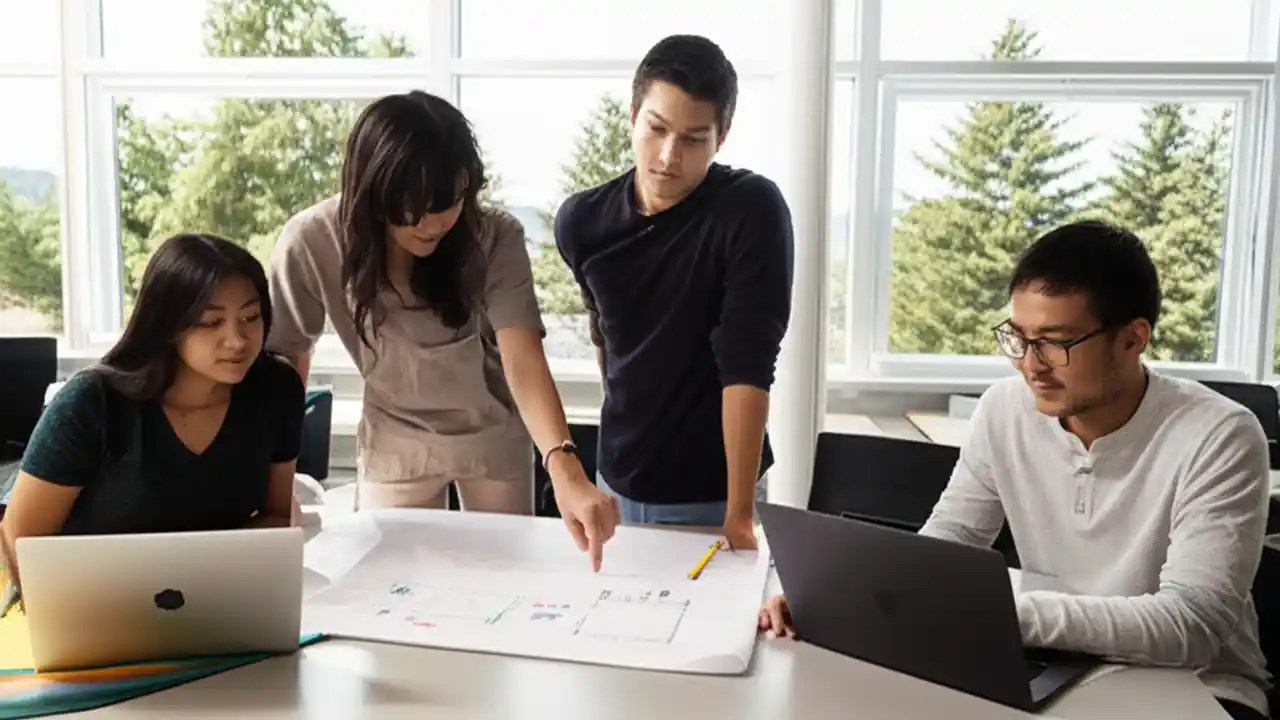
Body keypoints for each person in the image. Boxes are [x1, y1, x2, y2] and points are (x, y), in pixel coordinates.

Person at [758, 221, 1271, 720]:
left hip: (1199, 688)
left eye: (1054, 342)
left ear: (1133, 340)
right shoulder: (1005, 408)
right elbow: (949, 540)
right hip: (1059, 661)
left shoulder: (1219, 435)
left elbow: (1192, 625)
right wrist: (840, 596)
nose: (1030, 364)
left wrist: (1001, 616)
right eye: (1018, 337)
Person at [266, 90, 619, 570]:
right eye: (417, 208)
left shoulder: (494, 236)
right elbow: (287, 365)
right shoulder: (312, 240)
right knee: (392, 584)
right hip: (396, 435)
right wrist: (275, 488)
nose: (437, 222)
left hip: (491, 428)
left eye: (452, 201)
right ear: (373, 191)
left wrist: (566, 468)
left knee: (504, 580)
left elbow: (522, 358)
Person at [554, 35, 794, 547]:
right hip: (616, 484)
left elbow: (748, 366)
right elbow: (608, 340)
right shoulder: (582, 222)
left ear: (721, 136)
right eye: (656, 129)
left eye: (692, 139)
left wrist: (739, 514)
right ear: (633, 114)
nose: (668, 156)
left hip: (715, 493)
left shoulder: (751, 211)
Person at [0, 233, 304, 592]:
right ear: (167, 324)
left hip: (218, 599)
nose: (238, 340)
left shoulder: (276, 389)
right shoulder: (91, 403)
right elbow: (20, 543)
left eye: (251, 317)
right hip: (93, 604)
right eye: (210, 322)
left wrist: (197, 574)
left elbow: (276, 517)